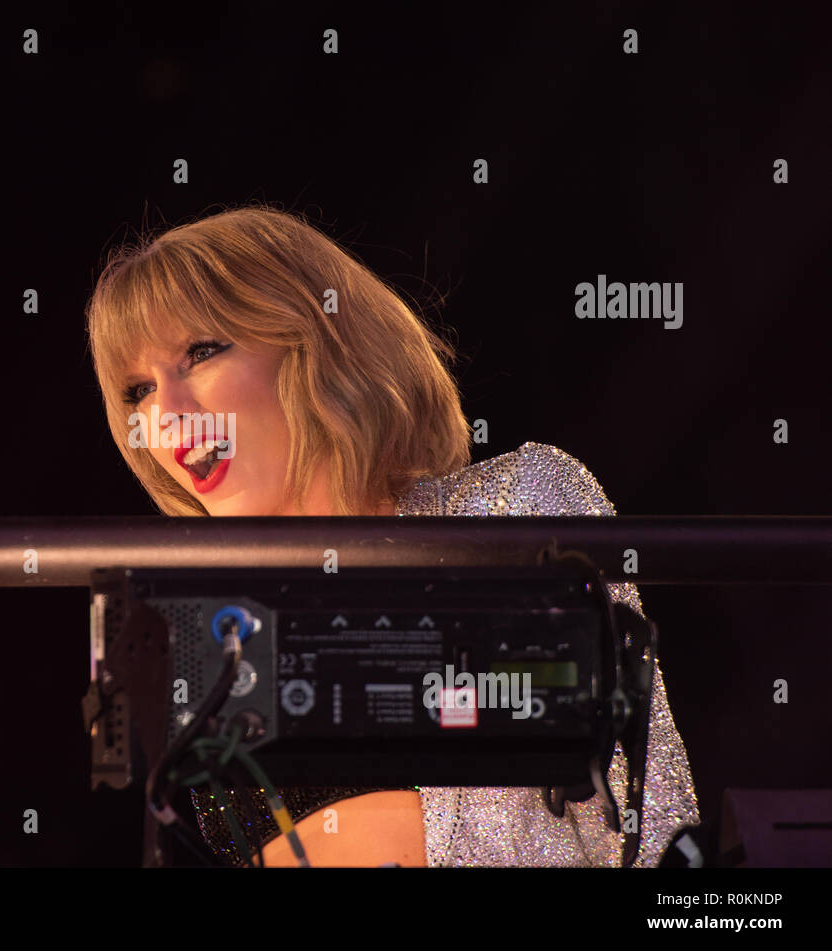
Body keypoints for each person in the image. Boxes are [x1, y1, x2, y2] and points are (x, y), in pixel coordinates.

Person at [84, 203, 700, 866]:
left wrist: (376, 835)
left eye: (199, 353)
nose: (164, 414)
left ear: (311, 340)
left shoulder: (512, 512)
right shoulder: (202, 639)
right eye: (137, 390)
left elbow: (653, 833)